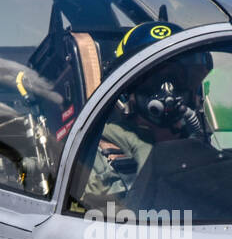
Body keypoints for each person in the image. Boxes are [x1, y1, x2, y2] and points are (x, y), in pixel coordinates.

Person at [84, 23, 212, 204]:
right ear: (127, 88)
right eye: (153, 79)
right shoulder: (95, 158)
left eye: (176, 78)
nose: (167, 90)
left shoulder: (203, 147)